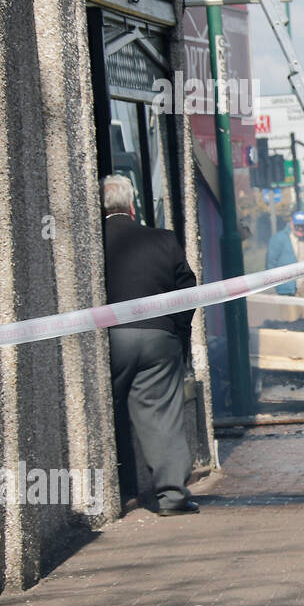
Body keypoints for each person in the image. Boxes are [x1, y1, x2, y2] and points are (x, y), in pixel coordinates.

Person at [101, 174, 200, 516]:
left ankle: (117, 492)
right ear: (132, 207)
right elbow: (188, 290)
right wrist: (176, 333)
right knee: (161, 416)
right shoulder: (163, 240)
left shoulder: (93, 245)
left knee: (106, 411)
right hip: (159, 339)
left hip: (110, 340)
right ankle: (171, 497)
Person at [267, 210, 304, 296]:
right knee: (289, 310)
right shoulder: (279, 238)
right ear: (291, 223)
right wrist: (276, 283)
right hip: (287, 288)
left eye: (303, 225)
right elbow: (271, 262)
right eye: (297, 225)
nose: (300, 228)